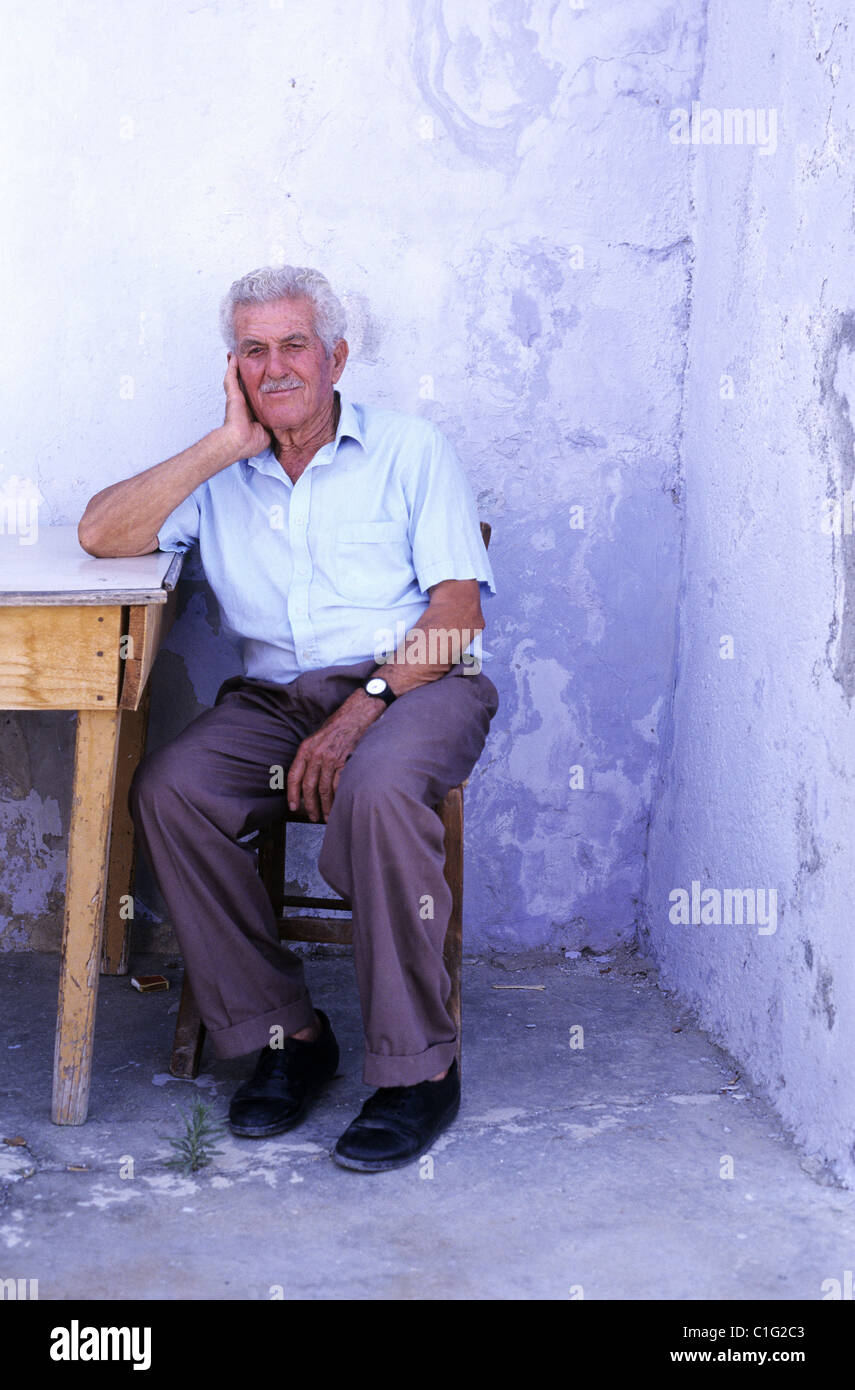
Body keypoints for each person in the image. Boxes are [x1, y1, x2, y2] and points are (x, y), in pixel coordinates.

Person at [78, 264, 499, 1171]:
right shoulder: (224, 470)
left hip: (415, 685)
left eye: (294, 345)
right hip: (278, 702)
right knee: (173, 791)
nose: (276, 367)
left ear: (336, 356)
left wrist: (361, 713)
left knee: (382, 793)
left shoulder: (408, 447)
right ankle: (287, 1038)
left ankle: (419, 1072)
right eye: (253, 349)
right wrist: (221, 445)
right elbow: (101, 535)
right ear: (234, 366)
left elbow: (457, 612)